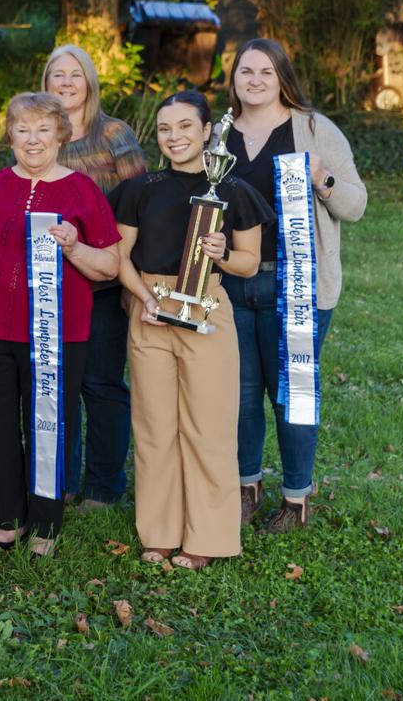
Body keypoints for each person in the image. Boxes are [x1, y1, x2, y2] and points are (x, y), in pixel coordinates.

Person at [0, 92, 120, 557]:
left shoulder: (83, 191)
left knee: (49, 425)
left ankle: (44, 523)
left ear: (61, 135)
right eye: (23, 130)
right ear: (10, 137)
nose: (33, 139)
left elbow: (110, 265)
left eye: (43, 129)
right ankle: (9, 519)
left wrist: (74, 248)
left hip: (54, 336)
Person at [114, 91, 273, 569]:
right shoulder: (140, 189)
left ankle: (209, 537)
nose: (174, 137)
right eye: (165, 129)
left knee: (209, 427)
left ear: (207, 131)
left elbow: (249, 263)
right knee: (155, 427)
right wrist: (143, 299)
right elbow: (119, 256)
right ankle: (160, 532)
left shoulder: (235, 190)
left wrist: (222, 253)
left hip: (207, 309)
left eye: (185, 126)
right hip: (150, 310)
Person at [223, 38, 367, 532]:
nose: (255, 80)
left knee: (292, 395)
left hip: (299, 287)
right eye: (246, 71)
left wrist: (322, 178)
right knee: (240, 395)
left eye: (266, 71)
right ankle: (245, 489)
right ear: (234, 78)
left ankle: (295, 500)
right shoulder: (218, 134)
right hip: (232, 283)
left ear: (282, 77)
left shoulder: (314, 129)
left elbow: (356, 205)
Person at [42, 44, 147, 508]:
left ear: (89, 82)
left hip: (104, 281)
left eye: (75, 75)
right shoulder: (40, 133)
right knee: (58, 384)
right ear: (46, 82)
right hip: (52, 284)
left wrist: (129, 280)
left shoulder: (113, 133)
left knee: (101, 383)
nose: (66, 83)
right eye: (57, 75)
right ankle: (62, 480)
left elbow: (141, 203)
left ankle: (104, 486)